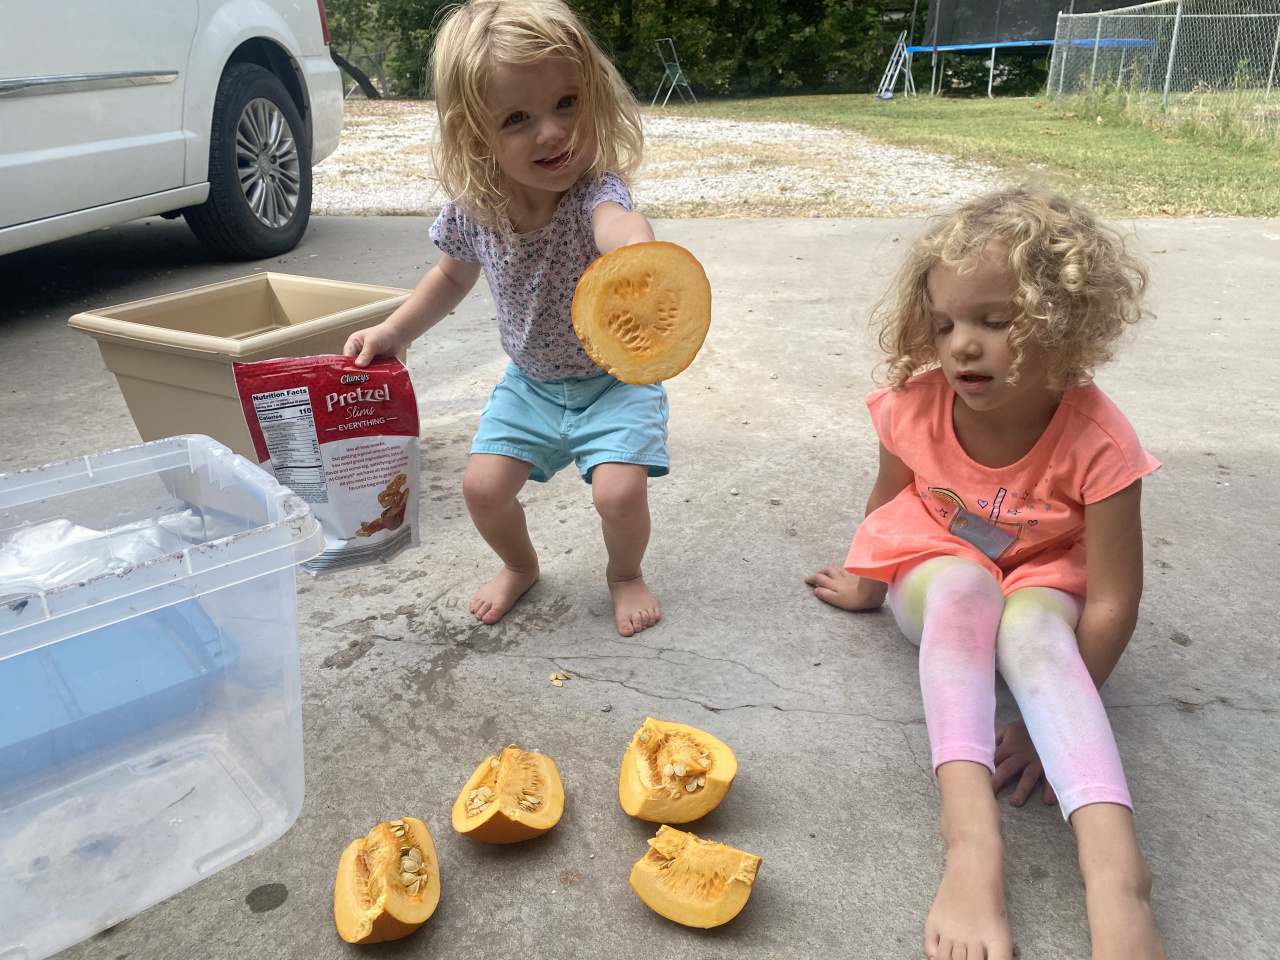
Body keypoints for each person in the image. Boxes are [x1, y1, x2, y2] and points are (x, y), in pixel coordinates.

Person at [806, 187, 1166, 960]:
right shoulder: (913, 405)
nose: (962, 346)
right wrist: (866, 581)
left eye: (996, 321)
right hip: (938, 566)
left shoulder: (1102, 443)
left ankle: (1118, 875)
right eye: (945, 324)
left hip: (1046, 579)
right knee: (967, 592)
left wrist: (1042, 731)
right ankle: (970, 842)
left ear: (1065, 322)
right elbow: (890, 497)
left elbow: (1111, 601)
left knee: (1033, 632)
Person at [345, 0, 665, 637]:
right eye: (518, 117)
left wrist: (637, 250)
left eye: (568, 103)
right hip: (531, 384)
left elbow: (618, 226)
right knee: (482, 490)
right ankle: (520, 566)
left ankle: (625, 574)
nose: (552, 132)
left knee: (619, 494)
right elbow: (449, 278)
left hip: (614, 380)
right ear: (474, 135)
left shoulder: (595, 193)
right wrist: (392, 332)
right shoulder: (477, 209)